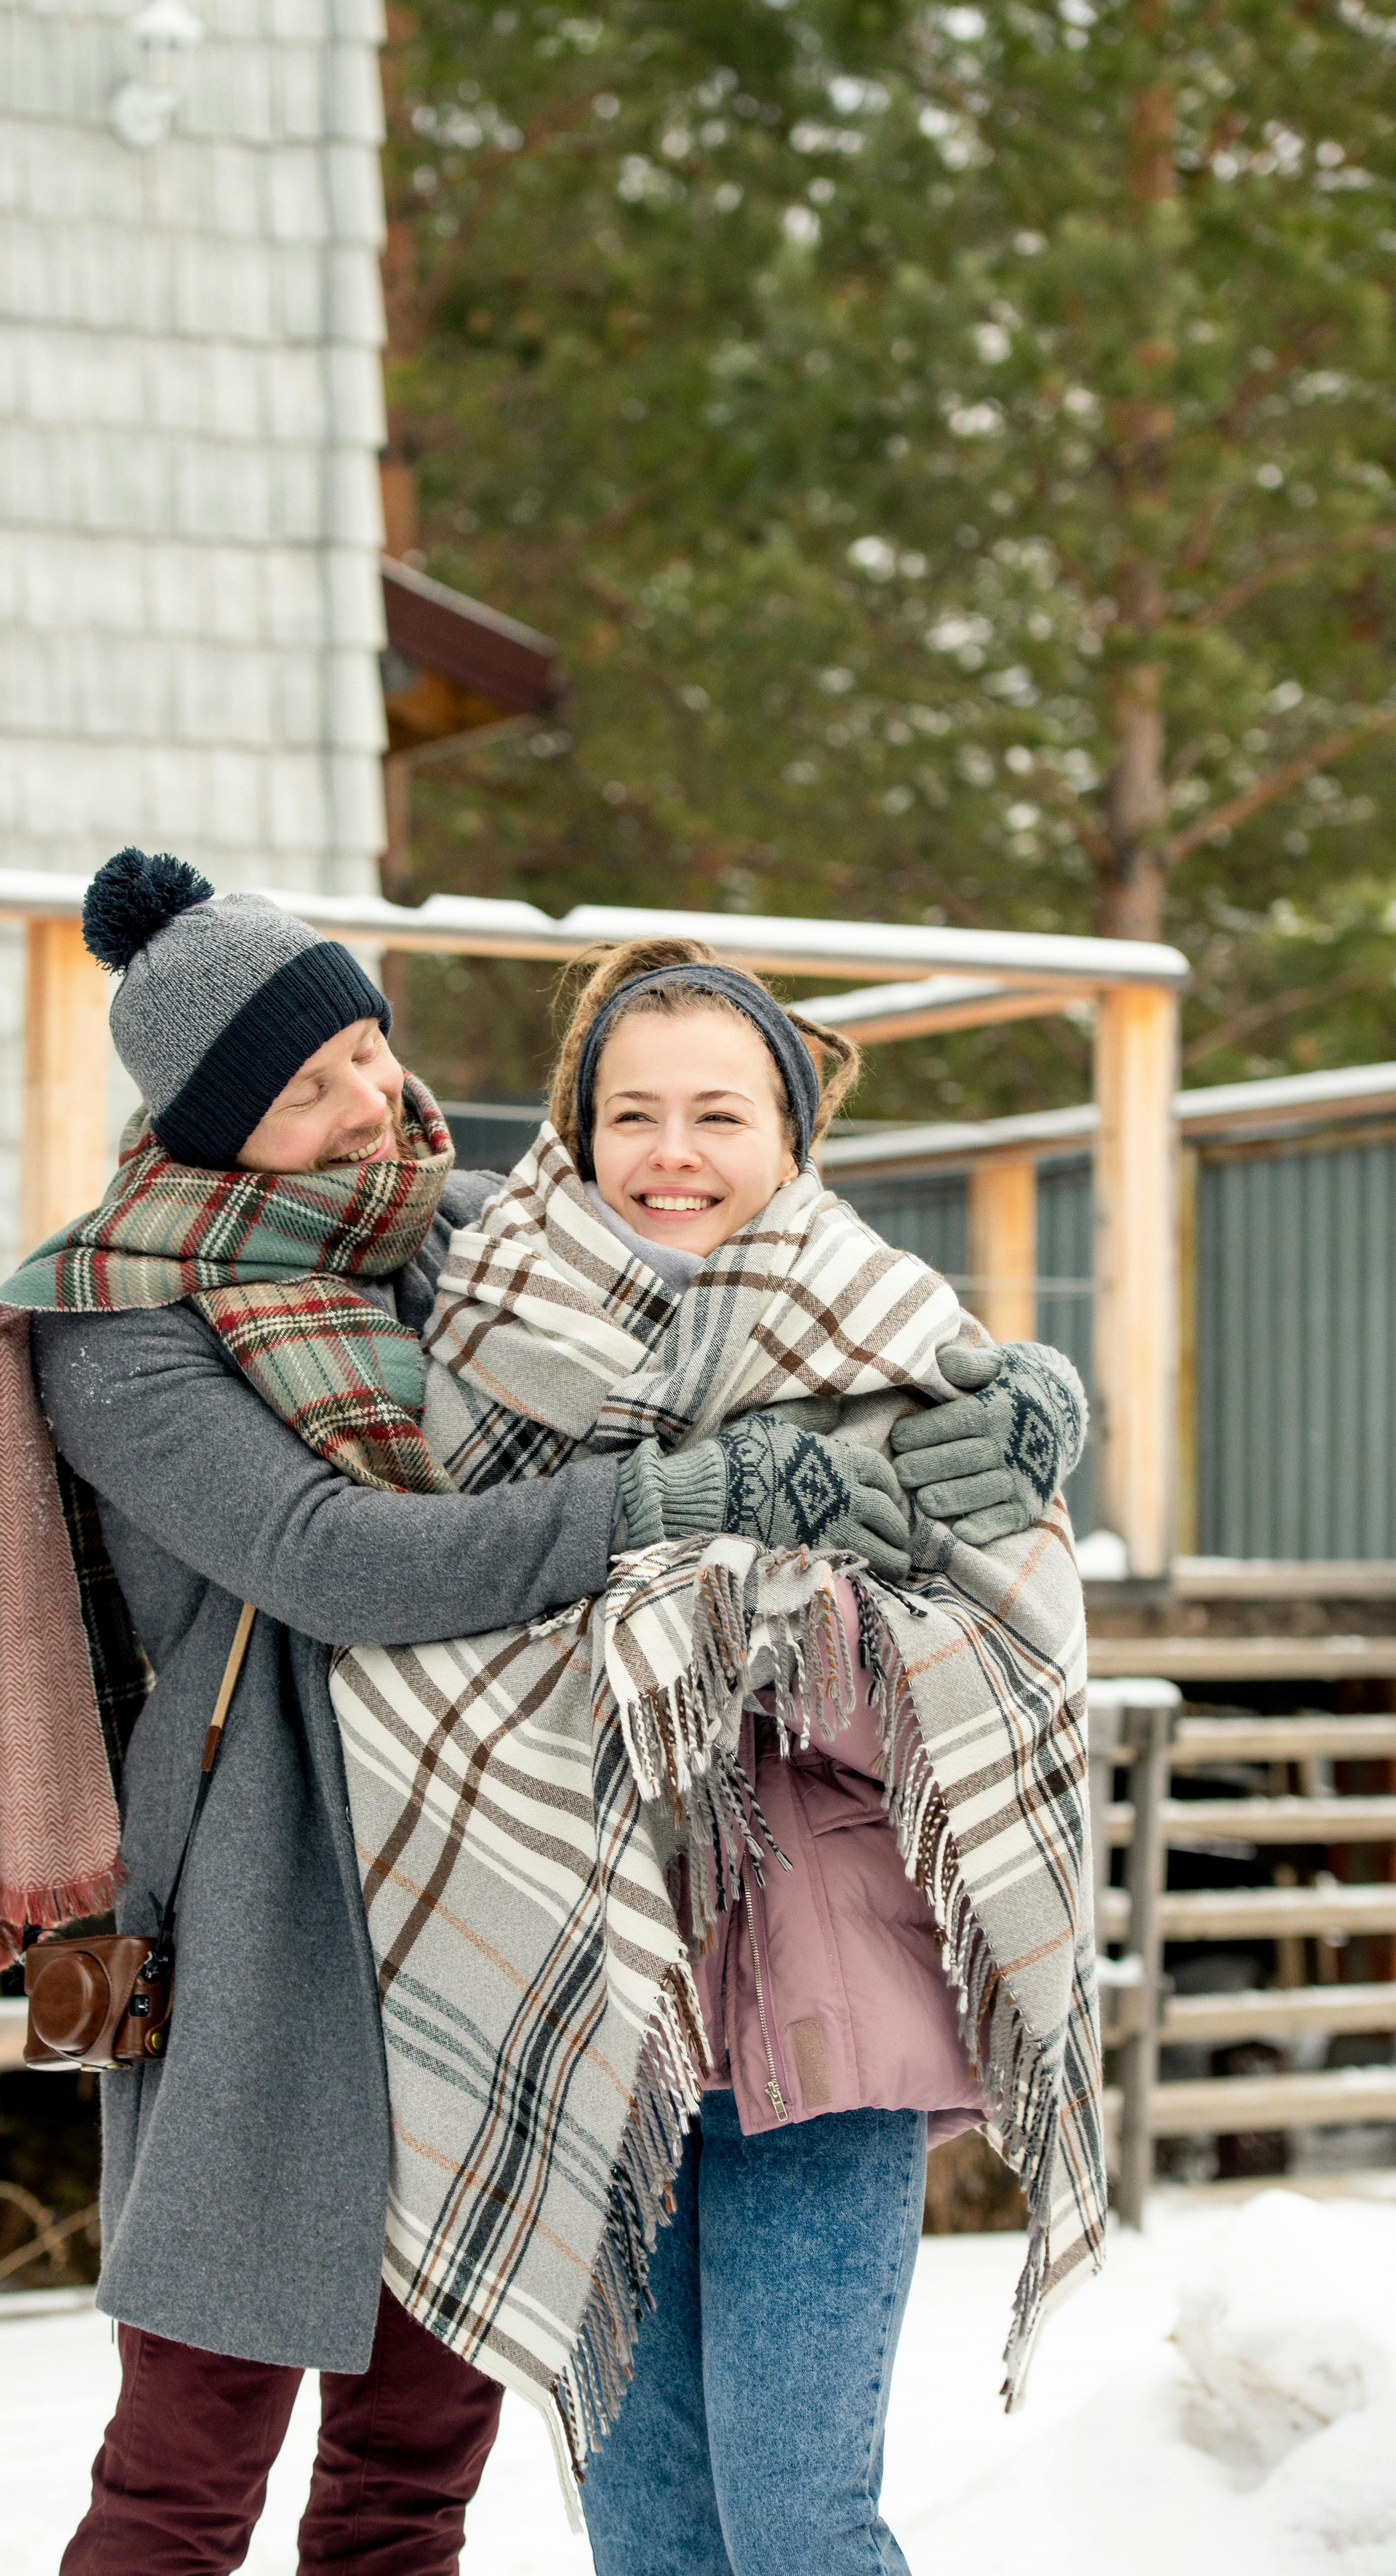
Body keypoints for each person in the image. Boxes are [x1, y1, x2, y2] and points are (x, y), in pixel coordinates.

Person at [0, 854, 1053, 2575]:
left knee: (411, 2468)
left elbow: (758, 1295)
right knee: (185, 2461)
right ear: (210, 1128)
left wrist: (1021, 1392)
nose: (370, 1102)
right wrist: (671, 1501)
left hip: (495, 1881)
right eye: (307, 1092)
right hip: (279, 1905)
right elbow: (338, 1559)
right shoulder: (121, 1326)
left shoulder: (457, 1233)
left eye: (369, 1052)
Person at [321, 937, 1094, 2576]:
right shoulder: (480, 1338)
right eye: (631, 1113)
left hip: (822, 2011)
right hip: (584, 2001)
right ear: (574, 1132)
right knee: (648, 2533)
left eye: (719, 1115)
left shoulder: (894, 1332)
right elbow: (441, 1620)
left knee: (797, 2521)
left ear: (791, 1138)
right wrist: (701, 1539)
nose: (672, 1155)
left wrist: (739, 1606)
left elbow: (987, 1672)